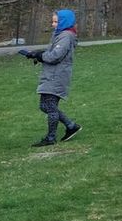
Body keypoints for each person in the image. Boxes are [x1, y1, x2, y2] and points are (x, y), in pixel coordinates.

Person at [20, 9, 82, 147]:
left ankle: (51, 137)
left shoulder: (66, 36)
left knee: (50, 106)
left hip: (56, 76)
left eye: (56, 21)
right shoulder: (59, 34)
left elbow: (55, 56)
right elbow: (51, 52)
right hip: (51, 74)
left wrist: (41, 56)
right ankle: (71, 126)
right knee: (44, 106)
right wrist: (37, 54)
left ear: (64, 22)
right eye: (53, 21)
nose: (53, 24)